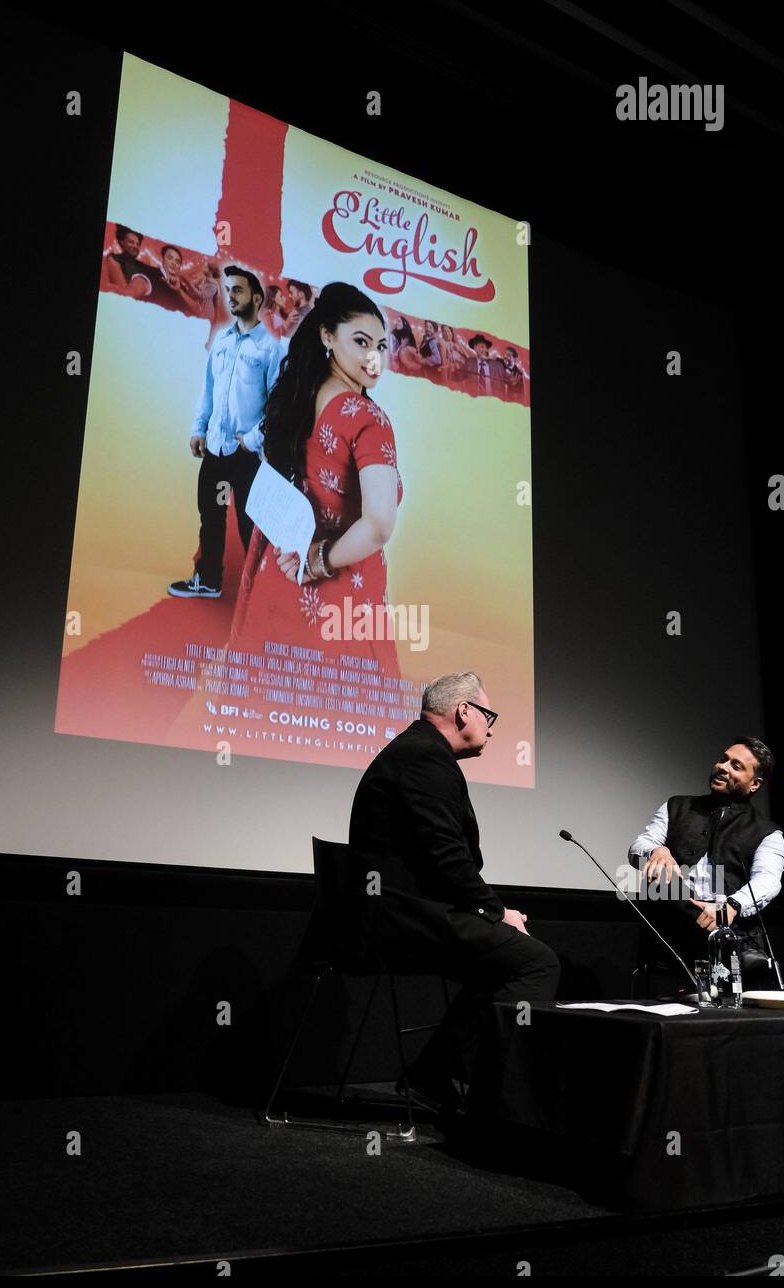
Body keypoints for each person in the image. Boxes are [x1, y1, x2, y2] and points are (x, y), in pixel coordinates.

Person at [348, 672, 560, 1113]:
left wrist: (492, 913)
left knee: (501, 963)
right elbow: (446, 858)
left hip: (402, 910)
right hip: (400, 918)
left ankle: (432, 1076)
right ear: (464, 711)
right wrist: (498, 913)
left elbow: (440, 859)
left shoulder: (416, 752)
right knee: (536, 961)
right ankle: (499, 1104)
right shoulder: (425, 758)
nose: (492, 727)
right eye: (489, 715)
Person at [229, 280, 403, 680]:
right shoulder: (367, 418)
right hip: (339, 595)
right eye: (361, 342)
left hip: (277, 575)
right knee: (349, 725)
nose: (373, 357)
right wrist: (317, 562)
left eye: (380, 347)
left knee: (266, 713)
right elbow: (378, 525)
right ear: (327, 335)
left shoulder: (295, 397)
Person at [628, 737, 784, 990]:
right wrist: (657, 850)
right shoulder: (676, 806)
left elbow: (768, 880)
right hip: (671, 941)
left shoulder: (767, 833)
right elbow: (639, 846)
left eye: (736, 766)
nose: (723, 767)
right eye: (723, 759)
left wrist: (731, 906)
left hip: (732, 944)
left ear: (755, 784)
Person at [167, 265, 286, 599]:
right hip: (216, 450)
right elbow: (209, 389)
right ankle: (208, 581)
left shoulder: (271, 350)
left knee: (251, 527)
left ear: (257, 298)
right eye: (228, 289)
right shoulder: (221, 341)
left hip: (247, 456)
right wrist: (198, 428)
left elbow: (278, 408)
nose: (230, 295)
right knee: (211, 517)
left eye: (238, 290)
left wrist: (251, 440)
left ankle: (260, 595)